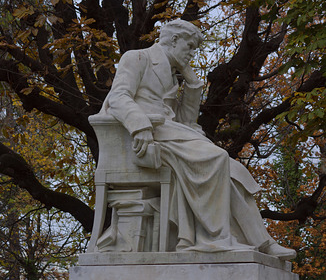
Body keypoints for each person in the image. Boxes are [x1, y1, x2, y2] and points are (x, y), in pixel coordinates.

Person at [101, 20, 296, 259]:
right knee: (217, 157)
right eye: (190, 46)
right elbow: (119, 97)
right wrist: (139, 126)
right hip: (146, 137)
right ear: (173, 40)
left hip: (171, 135)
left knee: (231, 170)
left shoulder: (174, 75)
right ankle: (215, 237)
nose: (192, 53)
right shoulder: (137, 58)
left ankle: (262, 242)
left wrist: (192, 84)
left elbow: (184, 121)